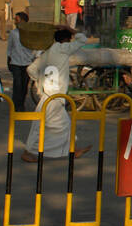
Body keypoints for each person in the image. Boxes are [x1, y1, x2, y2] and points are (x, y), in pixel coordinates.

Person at [19, 28, 89, 163]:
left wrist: (39, 81)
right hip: (55, 96)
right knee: (47, 125)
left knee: (62, 125)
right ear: (66, 40)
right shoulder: (64, 48)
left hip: (47, 95)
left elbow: (31, 69)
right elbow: (82, 40)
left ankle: (71, 150)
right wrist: (71, 29)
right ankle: (29, 152)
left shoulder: (47, 52)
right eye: (69, 39)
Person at [7, 11, 36, 111]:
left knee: (24, 85)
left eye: (17, 20)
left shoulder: (31, 33)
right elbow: (9, 48)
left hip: (27, 62)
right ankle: (16, 105)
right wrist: (8, 58)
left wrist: (35, 59)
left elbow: (35, 48)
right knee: (17, 84)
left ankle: (21, 103)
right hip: (15, 62)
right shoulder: (13, 33)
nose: (15, 22)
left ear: (24, 21)